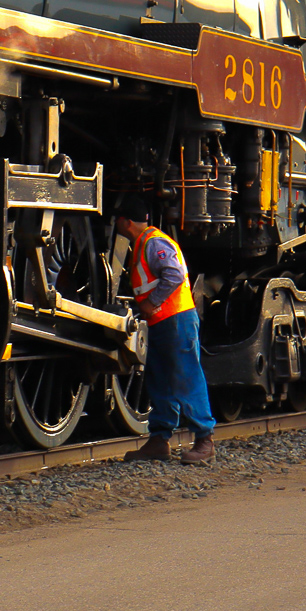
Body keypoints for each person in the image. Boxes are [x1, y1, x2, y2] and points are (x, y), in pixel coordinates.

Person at [114, 194, 217, 464]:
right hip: (162, 323)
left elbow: (173, 274)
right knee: (159, 380)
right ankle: (159, 441)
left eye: (118, 221)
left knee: (186, 378)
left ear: (126, 222)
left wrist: (150, 302)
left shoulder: (154, 242)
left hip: (176, 320)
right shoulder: (142, 243)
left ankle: (205, 441)